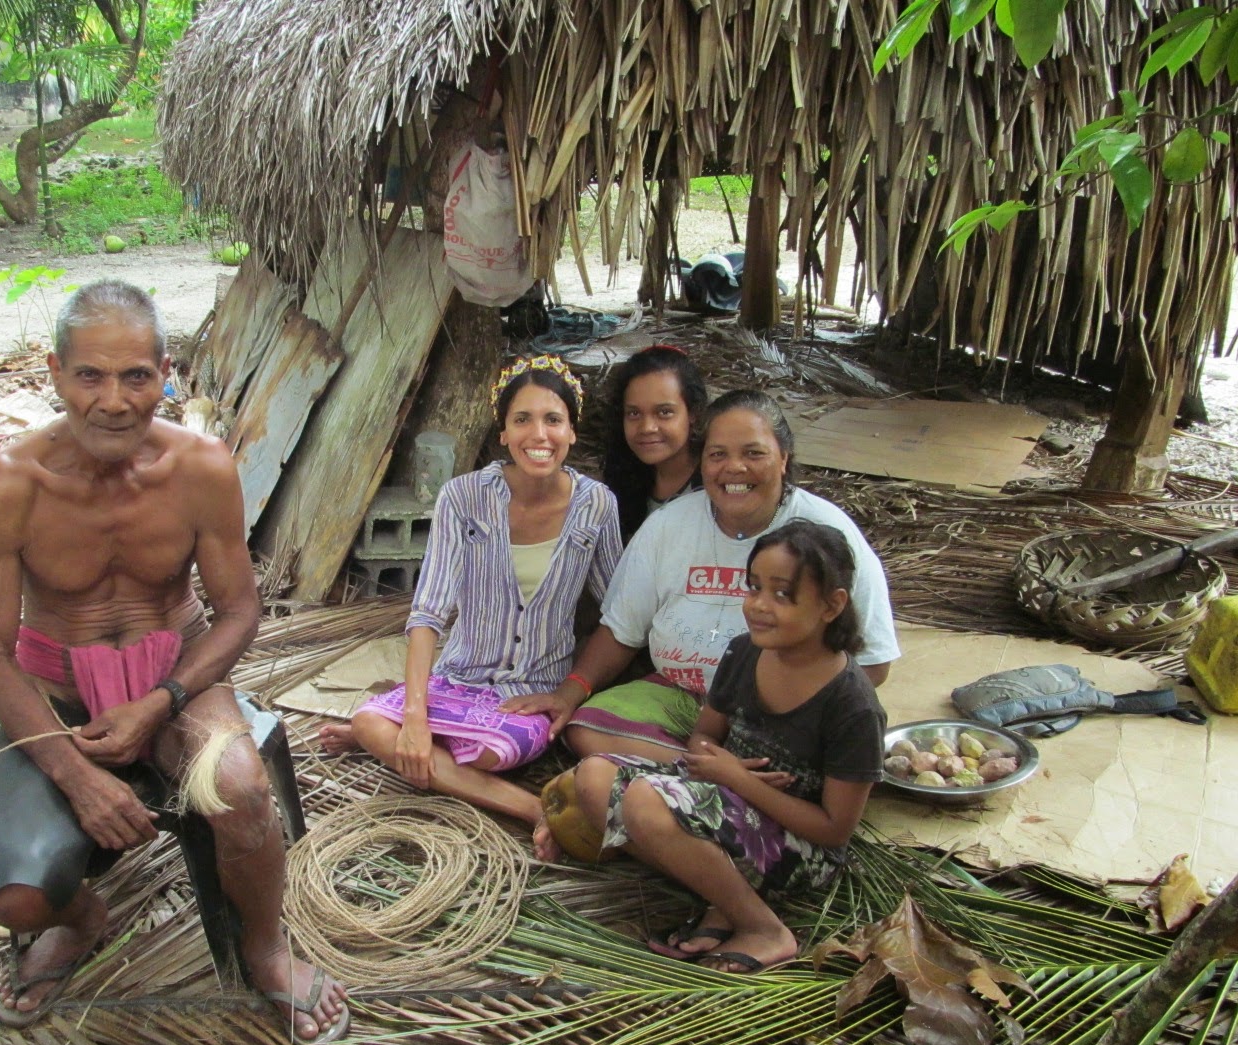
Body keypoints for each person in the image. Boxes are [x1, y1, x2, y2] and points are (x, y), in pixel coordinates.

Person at [0, 279, 348, 1040]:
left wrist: (162, 700)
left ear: (167, 372)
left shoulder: (199, 467)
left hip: (175, 673)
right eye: (90, 376)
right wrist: (76, 776)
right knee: (17, 899)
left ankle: (266, 949)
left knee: (240, 792)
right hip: (59, 694)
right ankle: (81, 917)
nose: (114, 400)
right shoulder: (8, 486)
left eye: (137, 375)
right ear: (55, 373)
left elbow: (238, 612)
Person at [504, 388, 898, 799]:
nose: (734, 469)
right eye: (717, 455)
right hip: (679, 692)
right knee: (588, 729)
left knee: (791, 766)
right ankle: (721, 779)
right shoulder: (669, 525)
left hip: (775, 717)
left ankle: (706, 783)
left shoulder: (826, 534)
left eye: (754, 453)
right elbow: (622, 630)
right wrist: (567, 694)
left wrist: (787, 707)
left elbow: (873, 663)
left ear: (783, 457)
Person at [566, 520, 887, 972]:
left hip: (796, 848)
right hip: (724, 799)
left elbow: (834, 831)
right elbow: (704, 736)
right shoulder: (745, 652)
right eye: (753, 587)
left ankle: (764, 928)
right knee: (595, 775)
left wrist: (738, 779)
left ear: (832, 605)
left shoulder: (852, 706)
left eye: (781, 594)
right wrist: (722, 764)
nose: (757, 605)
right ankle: (722, 893)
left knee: (641, 800)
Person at [318, 354, 622, 831]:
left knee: (489, 752)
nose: (538, 435)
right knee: (371, 724)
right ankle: (529, 808)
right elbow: (428, 612)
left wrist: (575, 689)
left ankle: (404, 749)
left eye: (553, 420)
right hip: (456, 676)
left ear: (572, 431)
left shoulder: (598, 506)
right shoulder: (462, 497)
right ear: (502, 431)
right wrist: (415, 715)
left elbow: (618, 613)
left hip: (529, 691)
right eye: (522, 419)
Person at [601, 344, 710, 542]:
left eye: (664, 412)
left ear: (693, 413)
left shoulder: (715, 486)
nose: (647, 427)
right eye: (634, 413)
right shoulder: (623, 478)